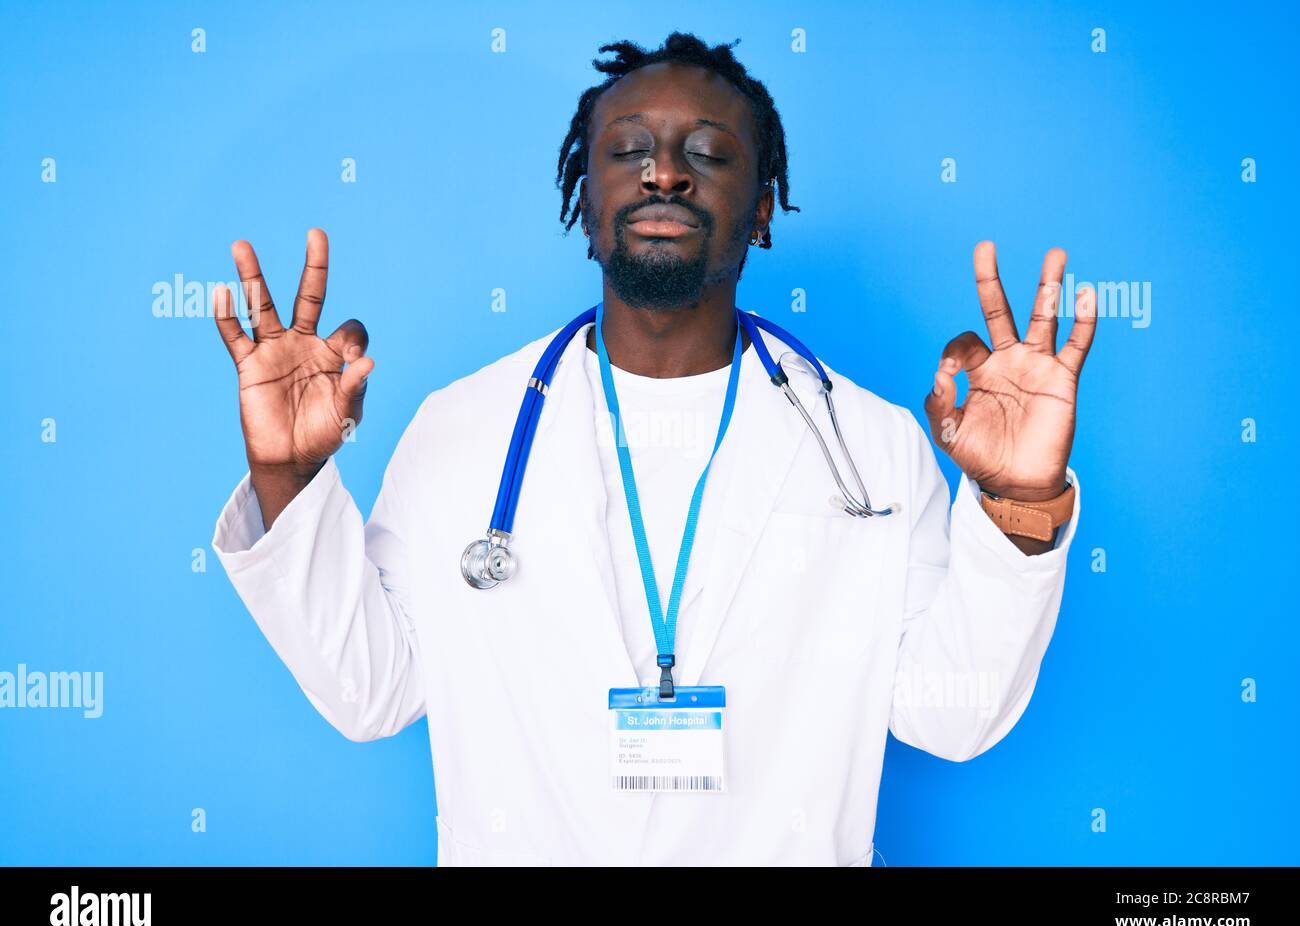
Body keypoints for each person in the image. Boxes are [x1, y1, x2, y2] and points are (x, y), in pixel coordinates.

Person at [210, 33, 1096, 866]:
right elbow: (372, 692)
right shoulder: (462, 429)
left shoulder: (867, 444)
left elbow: (954, 715)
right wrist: (286, 476)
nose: (665, 172)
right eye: (629, 150)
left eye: (708, 153)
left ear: (759, 210)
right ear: (586, 202)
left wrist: (1021, 503)